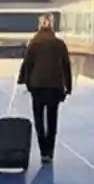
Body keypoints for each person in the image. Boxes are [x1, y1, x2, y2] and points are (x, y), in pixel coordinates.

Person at [16, 15, 73, 162]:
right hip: (55, 86)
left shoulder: (34, 44)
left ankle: (43, 152)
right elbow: (66, 66)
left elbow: (27, 64)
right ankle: (50, 151)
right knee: (52, 119)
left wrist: (24, 81)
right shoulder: (60, 44)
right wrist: (68, 86)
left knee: (39, 118)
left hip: (37, 86)